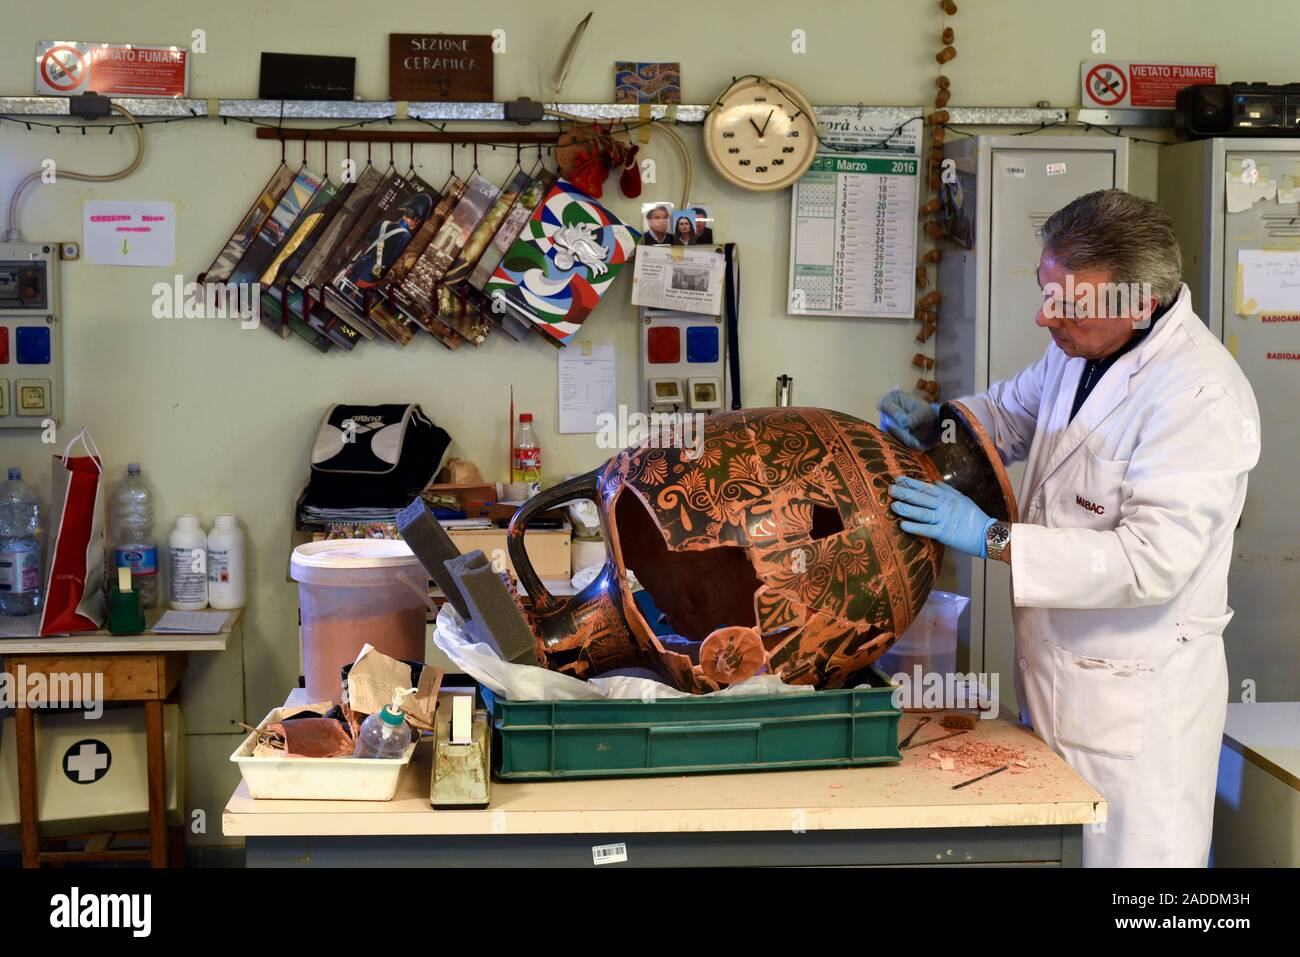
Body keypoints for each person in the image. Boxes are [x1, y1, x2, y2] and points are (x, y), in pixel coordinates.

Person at [880, 189, 1260, 868]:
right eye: (1045, 292)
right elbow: (1010, 414)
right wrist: (941, 422)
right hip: (1058, 683)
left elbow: (1151, 562)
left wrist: (994, 537)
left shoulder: (1199, 396)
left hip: (1136, 705)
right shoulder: (1079, 346)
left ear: (1140, 303)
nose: (1044, 316)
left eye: (1068, 304)